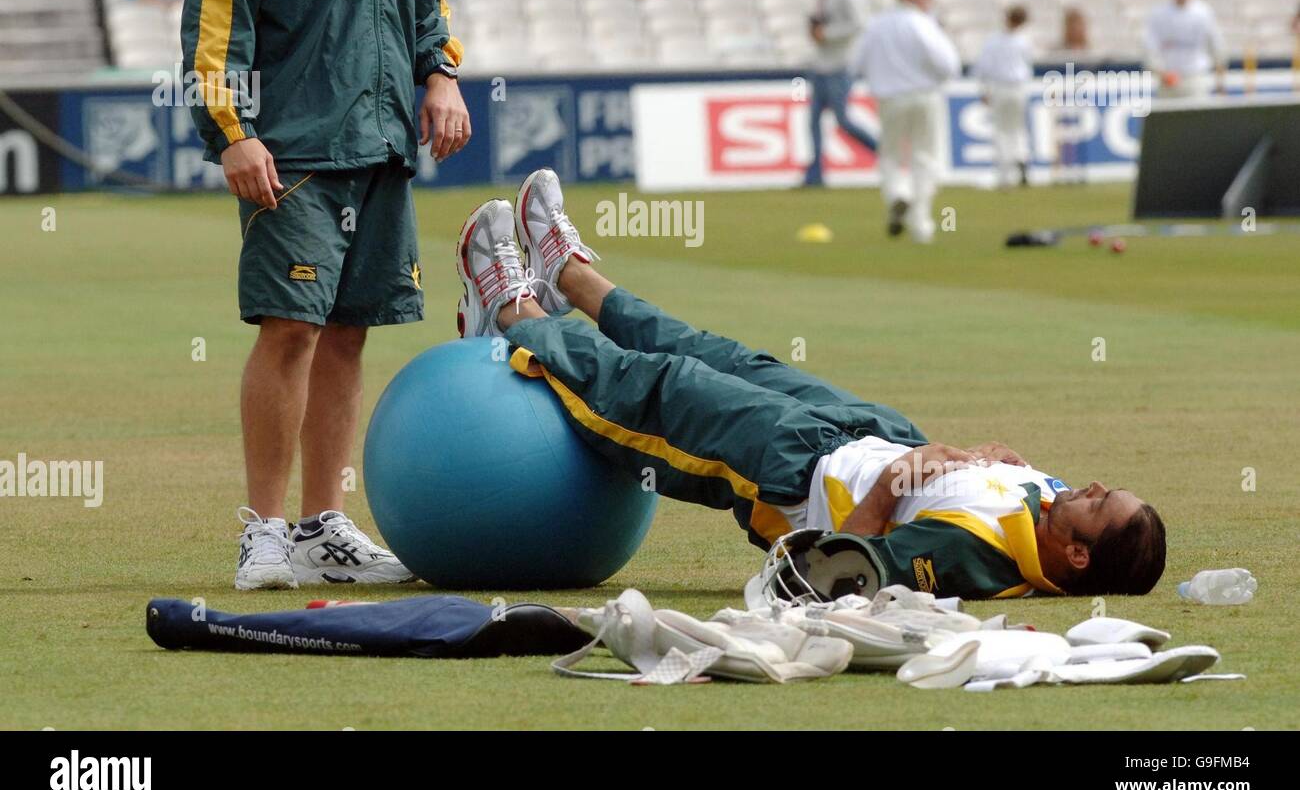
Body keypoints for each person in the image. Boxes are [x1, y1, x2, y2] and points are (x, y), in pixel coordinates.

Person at [451, 169, 1167, 601]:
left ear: (1077, 554)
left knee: (660, 388)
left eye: (1102, 503)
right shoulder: (1049, 512)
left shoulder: (976, 560)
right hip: (864, 429)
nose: (1095, 485)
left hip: (796, 475)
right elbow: (968, 485)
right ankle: (569, 273)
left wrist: (892, 486)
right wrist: (977, 456)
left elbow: (830, 576)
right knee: (706, 349)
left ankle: (511, 310)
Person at [181, 0, 470, 590]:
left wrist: (442, 74)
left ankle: (321, 525)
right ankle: (264, 531)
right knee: (292, 326)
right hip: (294, 149)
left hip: (381, 143)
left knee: (348, 333)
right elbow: (214, 21)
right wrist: (233, 134)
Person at [848, 0, 960, 243]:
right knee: (925, 157)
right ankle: (921, 223)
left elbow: (854, 63)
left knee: (891, 155)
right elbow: (949, 65)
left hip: (890, 99)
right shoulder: (921, 23)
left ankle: (898, 194)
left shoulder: (876, 25)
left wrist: (881, 75)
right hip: (925, 96)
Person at [804, 0, 875, 186]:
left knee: (843, 121)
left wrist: (828, 34)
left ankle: (883, 152)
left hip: (840, 65)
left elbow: (860, 23)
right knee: (812, 120)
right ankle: (815, 174)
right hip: (822, 65)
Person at [972, 4, 1034, 189]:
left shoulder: (993, 41)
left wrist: (984, 89)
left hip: (1000, 87)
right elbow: (1028, 65)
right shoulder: (1025, 41)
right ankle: (1021, 158)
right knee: (1018, 128)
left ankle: (1005, 174)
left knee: (1001, 130)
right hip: (1019, 87)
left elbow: (983, 67)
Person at [1144, 0, 1226, 98]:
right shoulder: (1159, 14)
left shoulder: (1203, 12)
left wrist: (1220, 81)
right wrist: (1161, 72)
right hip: (1168, 80)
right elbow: (1150, 48)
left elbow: (1216, 47)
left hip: (1195, 78)